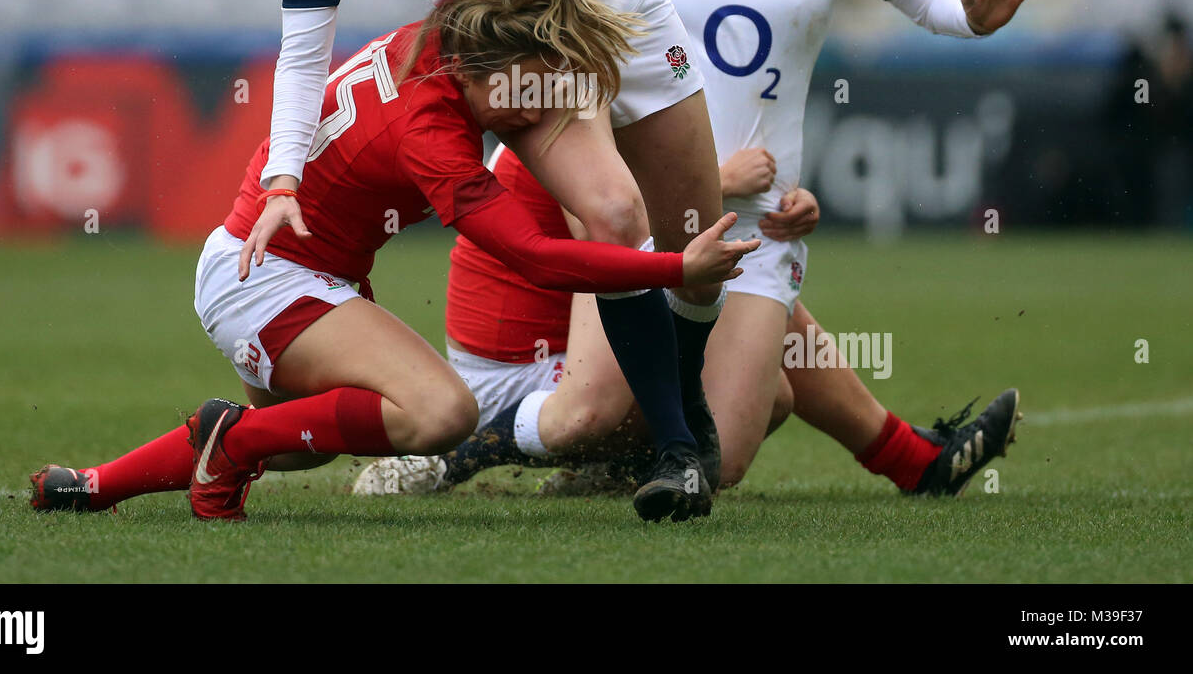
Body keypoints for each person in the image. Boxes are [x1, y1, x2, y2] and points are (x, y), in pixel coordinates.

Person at [354, 0, 1030, 498]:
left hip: (755, 223)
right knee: (594, 410)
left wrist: (973, 14)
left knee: (736, 444)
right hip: (647, 200)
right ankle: (460, 454)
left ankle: (904, 461)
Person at [241, 0, 752, 520]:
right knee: (618, 215)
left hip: (618, 10)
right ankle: (675, 450)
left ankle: (684, 420)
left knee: (698, 246)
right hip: (515, 50)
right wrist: (283, 179)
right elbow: (303, 52)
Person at [29, 0, 758, 521]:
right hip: (270, 276)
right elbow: (535, 255)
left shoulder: (452, 35)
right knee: (442, 414)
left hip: (266, 262)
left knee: (294, 440)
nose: (535, 113)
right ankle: (230, 449)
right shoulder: (432, 137)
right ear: (481, 74)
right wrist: (675, 266)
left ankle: (91, 487)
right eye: (527, 94)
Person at [355, 143, 1017, 499]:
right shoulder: (574, 113)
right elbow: (609, 234)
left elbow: (673, 227)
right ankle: (455, 459)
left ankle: (911, 458)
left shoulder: (626, 100)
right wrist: (719, 182)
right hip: (511, 376)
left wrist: (781, 204)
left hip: (564, 342)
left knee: (765, 376)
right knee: (731, 421)